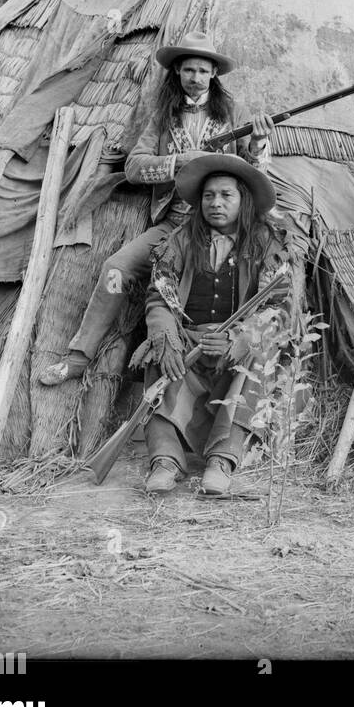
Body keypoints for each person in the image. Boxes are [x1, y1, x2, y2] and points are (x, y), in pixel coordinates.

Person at [39, 31, 274, 386]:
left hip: (223, 230)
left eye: (203, 71)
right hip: (176, 226)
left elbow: (256, 176)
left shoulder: (235, 113)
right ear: (177, 72)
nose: (195, 78)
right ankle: (78, 357)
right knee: (115, 268)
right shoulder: (163, 116)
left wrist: (257, 141)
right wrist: (179, 162)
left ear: (214, 74)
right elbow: (133, 167)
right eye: (189, 70)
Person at [133, 152, 295, 497]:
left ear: (244, 201)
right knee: (156, 354)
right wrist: (168, 339)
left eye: (226, 195)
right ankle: (165, 459)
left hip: (235, 348)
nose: (216, 203)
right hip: (188, 343)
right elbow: (159, 295)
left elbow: (277, 308)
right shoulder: (181, 239)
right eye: (209, 196)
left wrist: (238, 338)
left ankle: (222, 459)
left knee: (259, 356)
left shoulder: (267, 243)